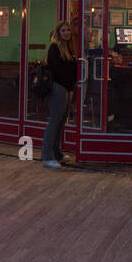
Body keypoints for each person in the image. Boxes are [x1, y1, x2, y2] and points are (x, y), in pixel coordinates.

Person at [43, 21, 78, 170]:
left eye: (68, 30)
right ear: (58, 32)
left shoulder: (69, 48)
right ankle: (47, 157)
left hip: (68, 89)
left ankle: (57, 154)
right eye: (63, 30)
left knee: (61, 122)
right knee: (54, 121)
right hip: (59, 88)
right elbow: (55, 69)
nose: (67, 33)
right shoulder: (54, 47)